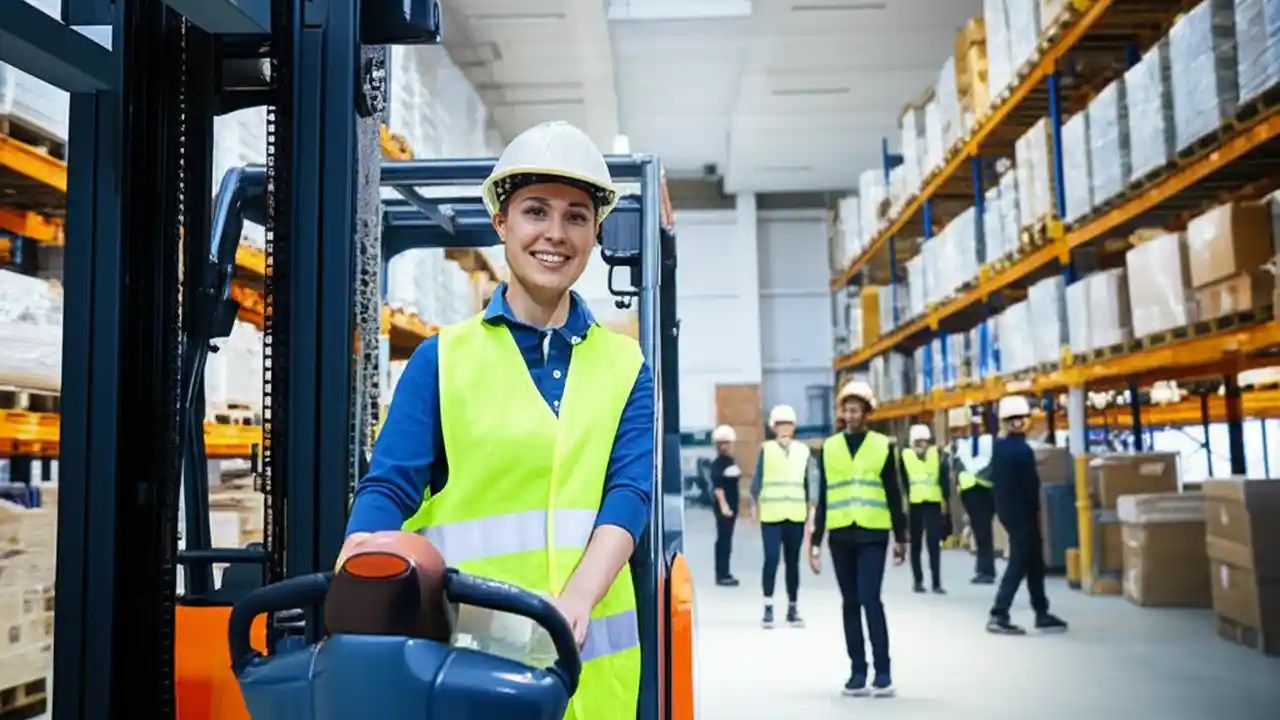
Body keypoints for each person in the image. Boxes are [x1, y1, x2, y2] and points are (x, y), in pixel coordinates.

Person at [336, 120, 654, 720]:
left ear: (595, 233)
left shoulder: (625, 364)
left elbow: (628, 493)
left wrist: (578, 601)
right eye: (536, 211)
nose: (555, 234)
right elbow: (389, 485)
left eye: (577, 216)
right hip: (473, 666)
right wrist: (357, 562)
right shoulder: (443, 359)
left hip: (594, 676)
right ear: (502, 222)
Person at [809, 381, 906, 698]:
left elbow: (893, 493)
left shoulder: (881, 446)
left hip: (873, 535)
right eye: (846, 409)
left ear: (866, 413)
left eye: (856, 409)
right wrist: (814, 541)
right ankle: (857, 671)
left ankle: (883, 670)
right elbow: (824, 496)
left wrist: (901, 537)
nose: (850, 415)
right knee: (850, 603)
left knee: (869, 598)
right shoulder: (831, 447)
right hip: (840, 536)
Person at [986, 395, 1068, 636]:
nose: (1022, 423)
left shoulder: (1000, 447)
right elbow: (1030, 487)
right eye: (1020, 419)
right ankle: (999, 613)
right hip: (1022, 512)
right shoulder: (1020, 450)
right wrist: (1034, 511)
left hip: (1010, 511)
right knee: (1020, 562)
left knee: (1034, 563)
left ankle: (1041, 612)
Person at [749, 404, 816, 628]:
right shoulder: (766, 449)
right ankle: (768, 607)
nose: (784, 428)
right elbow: (757, 480)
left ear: (794, 427)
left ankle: (792, 608)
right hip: (771, 515)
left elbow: (811, 483)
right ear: (773, 427)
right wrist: (752, 505)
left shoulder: (803, 451)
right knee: (771, 559)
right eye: (780, 424)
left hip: (796, 515)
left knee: (793, 563)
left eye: (788, 424)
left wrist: (813, 511)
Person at [901, 423, 950, 594]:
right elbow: (903, 483)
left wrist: (946, 504)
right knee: (916, 545)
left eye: (924, 442)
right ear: (912, 442)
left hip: (932, 504)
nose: (922, 445)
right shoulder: (905, 456)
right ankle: (918, 581)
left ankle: (936, 583)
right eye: (918, 442)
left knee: (933, 544)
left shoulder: (937, 455)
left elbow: (943, 480)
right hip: (914, 505)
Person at [953, 438, 996, 584]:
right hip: (977, 491)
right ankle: (984, 568)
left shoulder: (968, 445)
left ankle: (986, 570)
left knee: (982, 533)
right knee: (982, 532)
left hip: (977, 491)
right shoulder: (970, 444)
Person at [710, 424, 742, 587]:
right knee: (723, 541)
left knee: (727, 540)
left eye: (727, 443)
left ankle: (726, 571)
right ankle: (721, 574)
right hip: (724, 509)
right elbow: (718, 488)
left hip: (732, 508)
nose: (724, 446)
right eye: (721, 443)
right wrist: (724, 507)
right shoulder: (718, 463)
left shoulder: (730, 461)